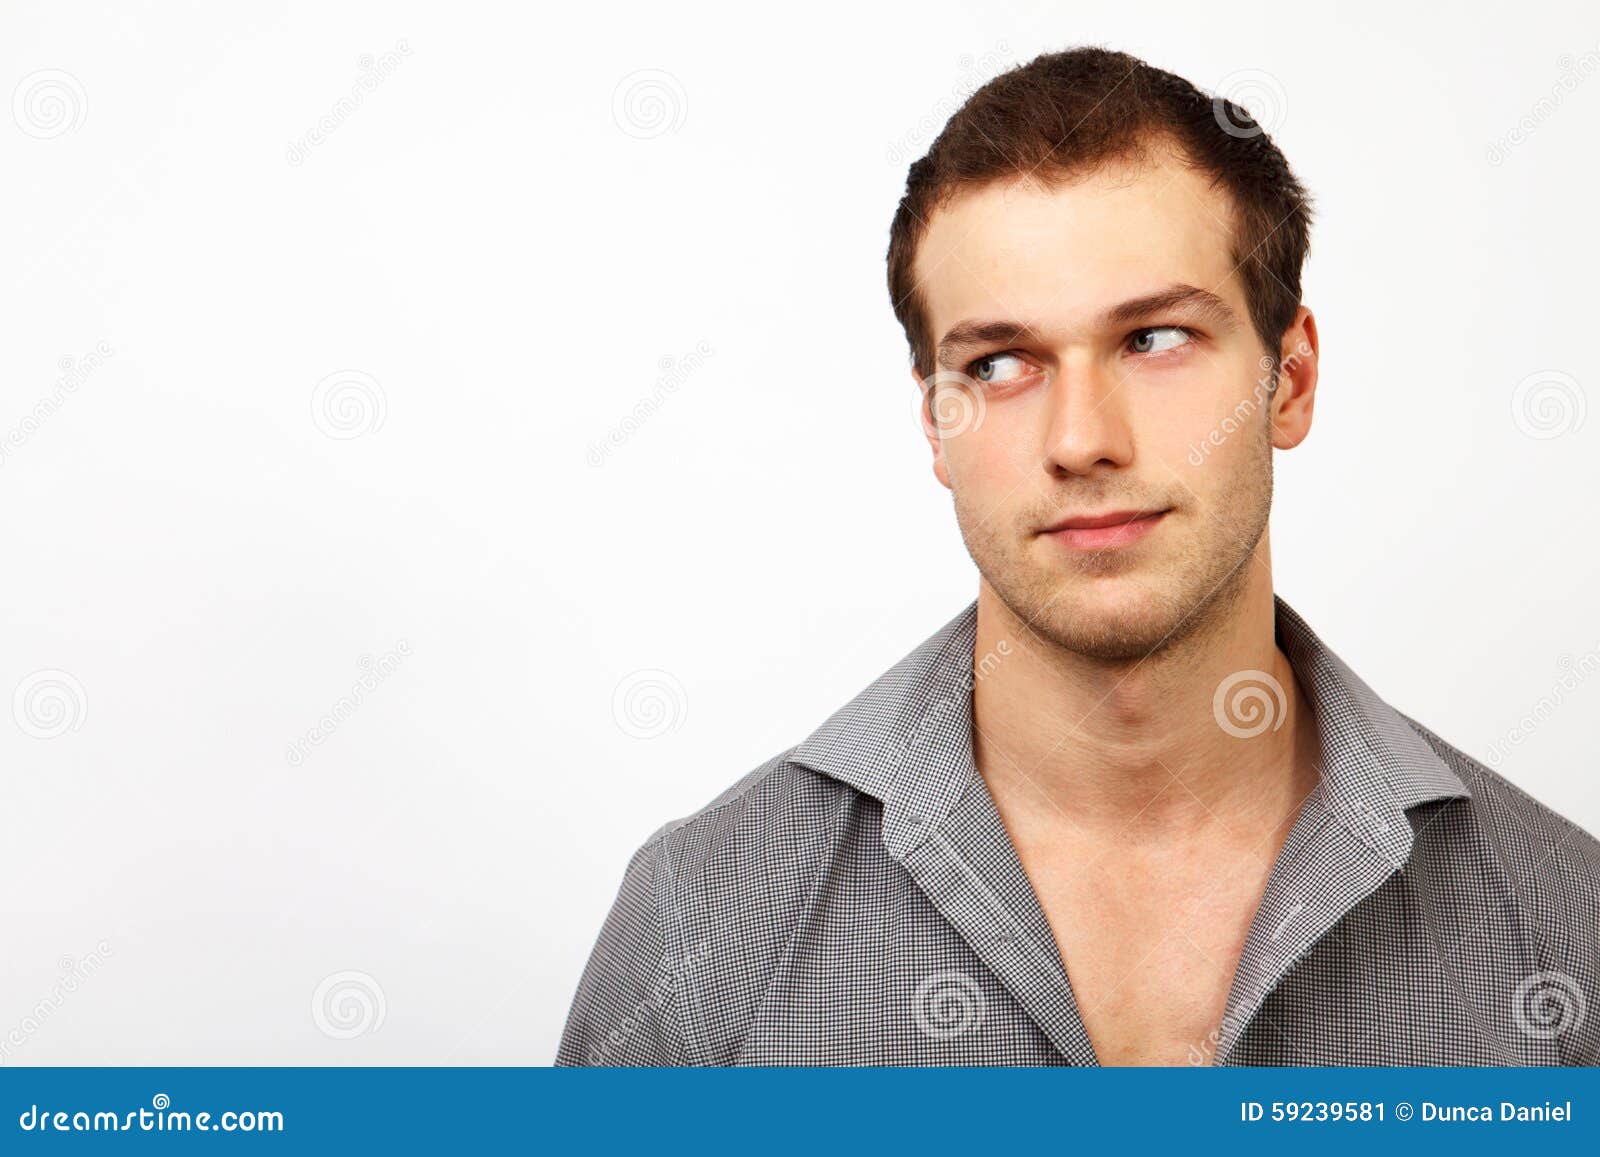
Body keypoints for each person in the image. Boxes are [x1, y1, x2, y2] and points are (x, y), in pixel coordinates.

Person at [557, 46, 1599, 1066]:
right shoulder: (700, 926)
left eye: (1155, 339)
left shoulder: (1567, 931)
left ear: (1288, 380)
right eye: (999, 362)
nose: (1080, 439)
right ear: (936, 423)